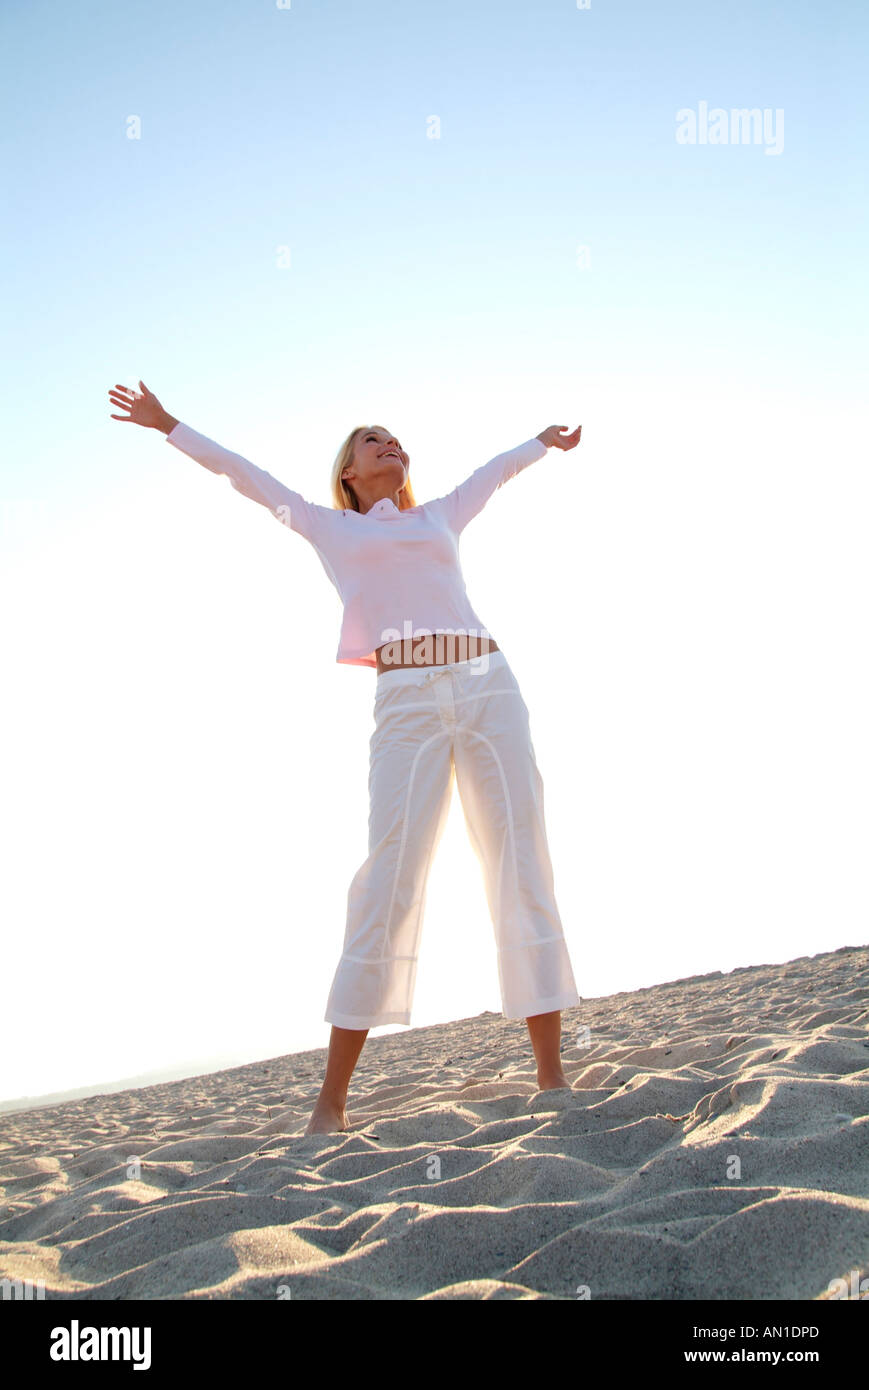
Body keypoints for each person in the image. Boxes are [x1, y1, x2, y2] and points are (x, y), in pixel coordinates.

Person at [108, 380, 583, 1135]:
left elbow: (493, 473)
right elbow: (245, 476)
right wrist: (169, 425)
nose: (388, 444)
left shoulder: (439, 514)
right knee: (388, 876)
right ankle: (331, 1101)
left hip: (488, 684)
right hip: (406, 702)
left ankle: (551, 1073)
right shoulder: (329, 528)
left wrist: (541, 444)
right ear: (349, 473)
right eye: (372, 440)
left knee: (521, 859)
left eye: (394, 438)